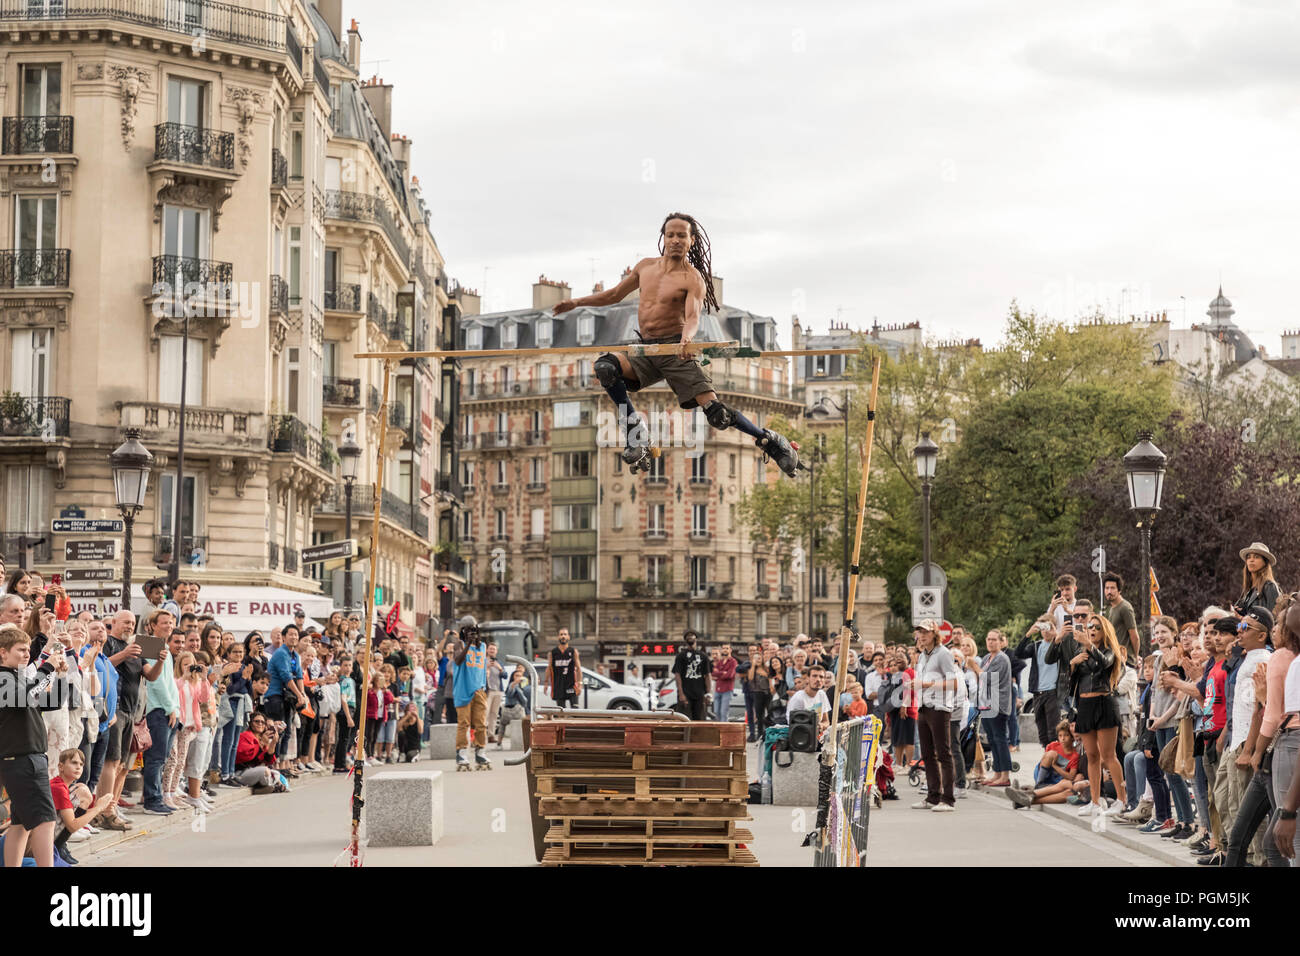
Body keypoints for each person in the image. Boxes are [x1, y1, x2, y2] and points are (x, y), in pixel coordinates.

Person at [553, 212, 801, 477]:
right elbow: (614, 294)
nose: (675, 240)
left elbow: (693, 316)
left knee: (717, 415)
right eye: (670, 235)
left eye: (681, 236)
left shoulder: (692, 278)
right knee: (605, 367)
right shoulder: (645, 267)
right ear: (663, 238)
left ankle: (771, 441)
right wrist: (576, 302)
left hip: (676, 350)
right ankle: (636, 433)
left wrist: (687, 338)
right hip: (647, 350)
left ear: (691, 240)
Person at [0, 623, 69, 867]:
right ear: (2, 652)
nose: (27, 654)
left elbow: (50, 702)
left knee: (21, 824)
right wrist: (47, 666)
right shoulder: (3, 677)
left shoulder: (17, 677)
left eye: (28, 649)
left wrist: (60, 675)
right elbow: (24, 698)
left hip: (27, 758)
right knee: (44, 820)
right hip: (22, 758)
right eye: (20, 650)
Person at [912, 620, 959, 812]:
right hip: (924, 706)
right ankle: (933, 796)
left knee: (943, 753)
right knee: (927, 754)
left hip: (939, 707)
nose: (922, 636)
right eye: (919, 632)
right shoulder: (923, 655)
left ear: (934, 634)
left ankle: (948, 799)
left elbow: (953, 683)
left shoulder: (943, 654)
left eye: (926, 632)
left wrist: (926, 685)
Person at [139, 615, 183, 816]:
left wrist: (176, 707)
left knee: (162, 757)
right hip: (158, 710)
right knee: (155, 758)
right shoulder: (150, 645)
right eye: (164, 622)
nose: (169, 626)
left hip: (168, 709)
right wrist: (169, 707)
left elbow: (170, 682)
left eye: (171, 623)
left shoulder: (164, 647)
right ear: (152, 625)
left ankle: (153, 796)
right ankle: (152, 800)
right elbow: (155, 682)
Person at [1006, 720, 1081, 808]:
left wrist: (1055, 766)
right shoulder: (1054, 746)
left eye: (1066, 735)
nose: (1063, 738)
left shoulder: (1074, 755)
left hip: (1057, 778)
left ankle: (1022, 795)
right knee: (1051, 754)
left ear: (1072, 737)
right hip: (1045, 774)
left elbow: (1071, 776)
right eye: (1060, 736)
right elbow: (1044, 761)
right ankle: (1037, 786)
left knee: (1066, 786)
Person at [452, 616, 491, 770]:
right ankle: (461, 753)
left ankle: (481, 751)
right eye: (467, 630)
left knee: (481, 724)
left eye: (473, 630)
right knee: (464, 724)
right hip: (463, 690)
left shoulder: (482, 646)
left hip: (479, 690)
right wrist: (468, 644)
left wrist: (485, 688)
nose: (471, 633)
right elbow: (458, 661)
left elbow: (482, 669)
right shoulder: (458, 645)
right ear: (462, 631)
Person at [982, 630, 1014, 787]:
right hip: (986, 704)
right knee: (992, 740)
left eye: (994, 639)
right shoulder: (986, 658)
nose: (990, 642)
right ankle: (997, 772)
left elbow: (989, 680)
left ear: (1001, 642)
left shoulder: (1002, 658)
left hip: (998, 705)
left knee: (1000, 739)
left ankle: (1005, 775)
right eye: (988, 639)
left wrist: (975, 669)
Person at [1233, 543, 1281, 619]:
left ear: (1265, 562)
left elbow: (1275, 618)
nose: (1251, 560)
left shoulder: (1269, 586)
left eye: (1256, 557)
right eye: (1248, 557)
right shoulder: (1248, 590)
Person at [671, 630, 710, 720]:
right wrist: (681, 693)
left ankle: (697, 735)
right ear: (685, 640)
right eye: (688, 636)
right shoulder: (681, 656)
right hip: (686, 693)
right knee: (685, 719)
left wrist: (708, 693)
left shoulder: (703, 656)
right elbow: (677, 675)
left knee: (699, 720)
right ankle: (686, 735)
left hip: (700, 693)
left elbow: (707, 675)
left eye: (692, 635)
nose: (690, 637)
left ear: (696, 638)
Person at [1102, 572, 1140, 659]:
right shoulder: (1111, 608)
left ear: (1119, 590)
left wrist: (1135, 657)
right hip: (1114, 658)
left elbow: (1134, 636)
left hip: (1125, 660)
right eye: (1107, 588)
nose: (1109, 591)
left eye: (1112, 588)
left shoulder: (1125, 607)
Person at [546, 628, 581, 709]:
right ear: (558, 637)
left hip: (571, 684)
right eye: (561, 634)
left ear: (568, 637)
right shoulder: (553, 652)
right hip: (559, 684)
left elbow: (579, 668)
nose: (563, 636)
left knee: (575, 710)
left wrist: (580, 683)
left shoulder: (573, 651)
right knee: (561, 711)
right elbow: (549, 667)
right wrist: (546, 682)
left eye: (565, 634)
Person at [711, 643, 737, 723]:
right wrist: (723, 673)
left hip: (727, 690)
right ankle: (717, 732)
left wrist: (719, 674)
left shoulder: (733, 661)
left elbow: (730, 675)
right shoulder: (720, 662)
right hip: (718, 690)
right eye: (723, 648)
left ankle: (723, 732)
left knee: (723, 712)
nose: (725, 650)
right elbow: (713, 673)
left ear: (730, 650)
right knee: (716, 712)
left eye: (727, 648)